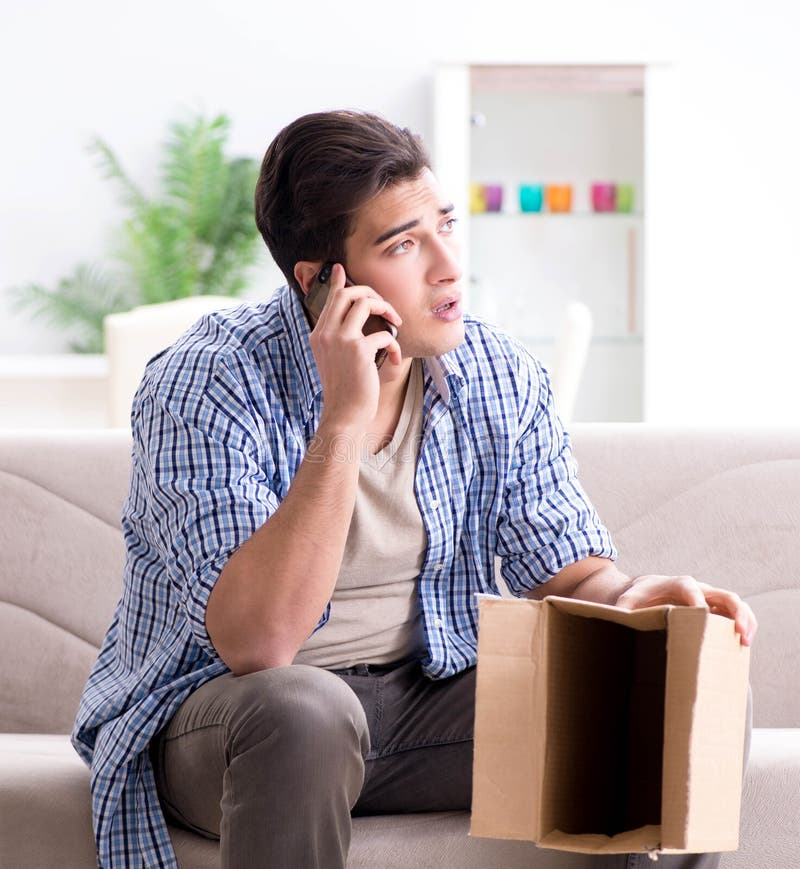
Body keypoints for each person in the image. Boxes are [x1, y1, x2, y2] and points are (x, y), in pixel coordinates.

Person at [72, 109, 756, 869]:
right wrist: (342, 418)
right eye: (403, 244)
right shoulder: (207, 381)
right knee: (306, 708)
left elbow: (569, 568)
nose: (448, 266)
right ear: (322, 281)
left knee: (675, 684)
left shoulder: (493, 371)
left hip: (427, 699)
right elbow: (259, 643)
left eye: (445, 228)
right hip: (236, 719)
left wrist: (633, 598)